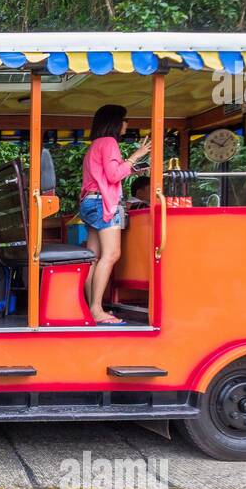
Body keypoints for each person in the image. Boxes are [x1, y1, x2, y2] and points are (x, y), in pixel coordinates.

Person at [81, 104, 151, 325]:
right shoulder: (110, 143)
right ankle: (96, 309)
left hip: (89, 202)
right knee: (111, 255)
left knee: (92, 258)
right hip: (103, 204)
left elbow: (107, 174)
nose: (126, 124)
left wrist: (132, 167)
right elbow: (113, 176)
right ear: (114, 122)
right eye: (124, 119)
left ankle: (88, 307)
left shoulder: (95, 145)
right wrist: (135, 156)